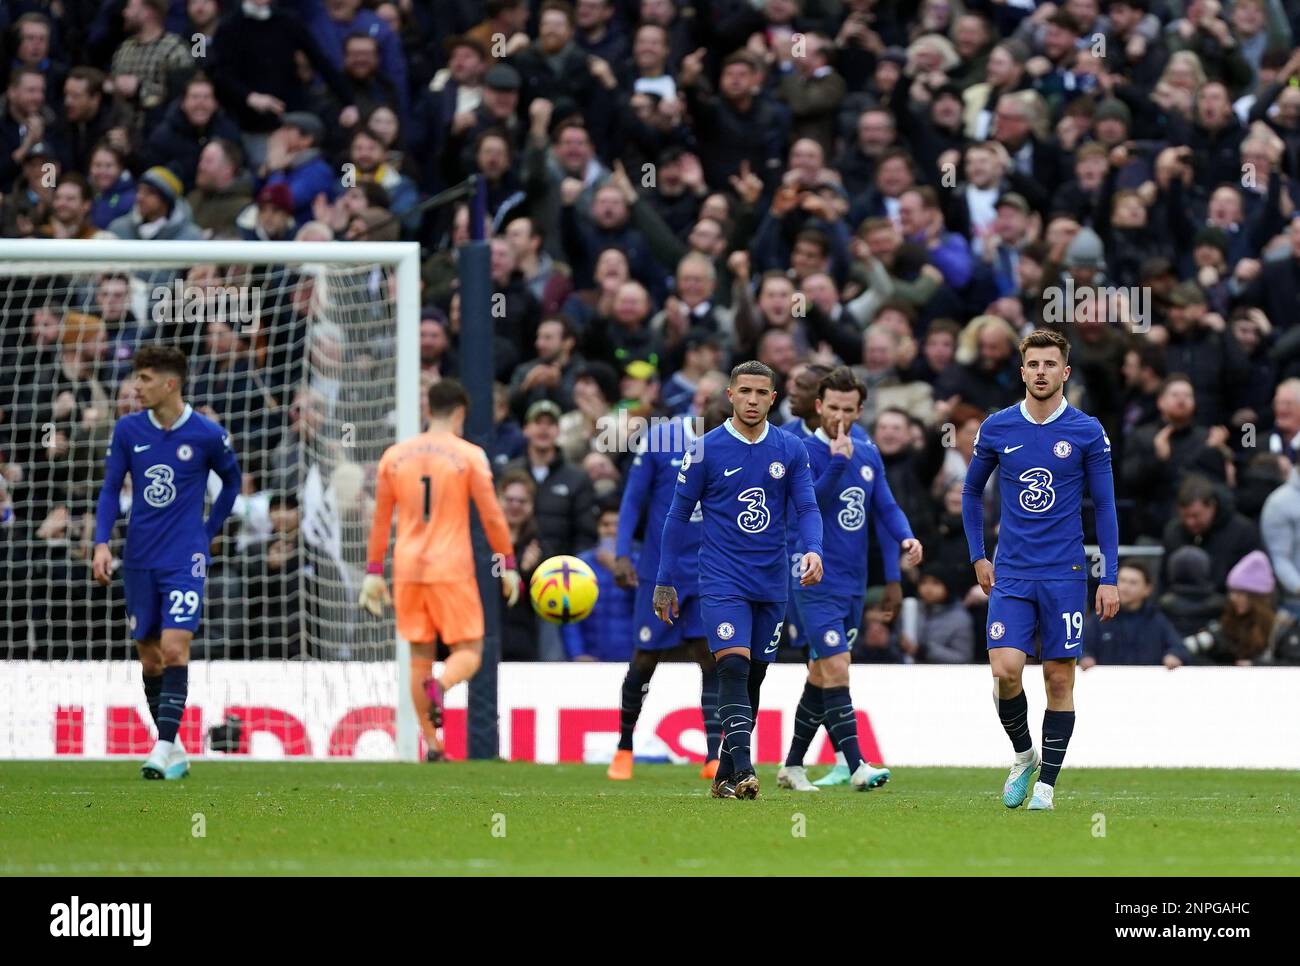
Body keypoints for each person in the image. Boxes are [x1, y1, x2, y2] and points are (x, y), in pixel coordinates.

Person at [961, 328, 1120, 812]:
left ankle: (1046, 788)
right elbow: (970, 493)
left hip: (1065, 573)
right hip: (1011, 571)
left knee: (1058, 679)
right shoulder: (998, 427)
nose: (1041, 372)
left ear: (1065, 371)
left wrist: (1109, 576)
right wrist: (977, 555)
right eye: (1033, 364)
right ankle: (1023, 753)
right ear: (1022, 369)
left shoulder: (1087, 431)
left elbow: (1106, 507)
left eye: (1050, 364)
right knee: (1006, 671)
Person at [654, 360, 824, 800]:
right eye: (744, 391)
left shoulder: (790, 450)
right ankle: (746, 769)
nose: (752, 400)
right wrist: (664, 579)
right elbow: (676, 515)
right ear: (730, 395)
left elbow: (807, 507)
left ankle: (723, 776)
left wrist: (814, 550)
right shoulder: (705, 450)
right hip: (721, 578)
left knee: (754, 680)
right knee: (732, 665)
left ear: (773, 397)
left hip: (770, 582)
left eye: (761, 393)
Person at [91, 345, 242, 780]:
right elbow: (108, 490)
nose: (135, 387)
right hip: (138, 557)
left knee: (175, 649)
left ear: (169, 384)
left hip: (184, 558)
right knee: (150, 659)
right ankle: (172, 747)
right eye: (136, 378)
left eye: (144, 379)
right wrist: (102, 543)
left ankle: (160, 748)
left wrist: (207, 532)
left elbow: (231, 483)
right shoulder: (127, 430)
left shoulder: (207, 434)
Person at [777, 367, 923, 793]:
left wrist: (906, 539)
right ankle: (858, 765)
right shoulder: (798, 449)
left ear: (860, 411)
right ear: (819, 406)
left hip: (853, 582)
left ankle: (792, 766)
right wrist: (838, 464)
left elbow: (885, 508)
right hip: (811, 576)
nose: (839, 418)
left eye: (849, 410)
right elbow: (806, 505)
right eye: (832, 408)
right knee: (838, 665)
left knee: (823, 673)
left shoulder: (868, 453)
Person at [359, 379, 521, 761]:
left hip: (408, 567)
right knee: (470, 651)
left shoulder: (394, 456)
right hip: (451, 566)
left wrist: (372, 571)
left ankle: (432, 745)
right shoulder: (469, 455)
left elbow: (381, 519)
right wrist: (508, 561)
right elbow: (492, 515)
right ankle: (442, 685)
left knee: (419, 654)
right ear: (461, 412)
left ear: (428, 409)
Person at [607, 394, 728, 782]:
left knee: (709, 658)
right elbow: (632, 500)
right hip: (662, 571)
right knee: (645, 658)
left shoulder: (737, 447)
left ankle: (713, 755)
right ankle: (624, 748)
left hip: (708, 571)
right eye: (724, 417)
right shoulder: (661, 439)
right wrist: (622, 552)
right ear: (706, 406)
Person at [1080, 561, 1188, 668]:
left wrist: (1174, 655)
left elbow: (1179, 648)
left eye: (1133, 582)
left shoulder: (1156, 619)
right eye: (1122, 581)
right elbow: (1081, 648)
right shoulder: (1100, 617)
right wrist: (1085, 657)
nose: (1125, 587)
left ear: (1147, 589)